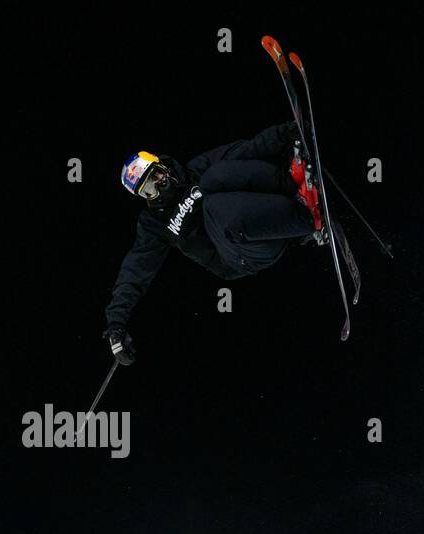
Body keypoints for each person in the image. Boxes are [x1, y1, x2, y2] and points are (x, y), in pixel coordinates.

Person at [105, 122, 321, 365]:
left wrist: (284, 134)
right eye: (149, 190)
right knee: (213, 207)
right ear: (143, 198)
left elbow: (244, 151)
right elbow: (135, 270)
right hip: (242, 255)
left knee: (215, 176)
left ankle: (294, 183)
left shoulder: (194, 171)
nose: (159, 186)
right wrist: (116, 324)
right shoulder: (155, 224)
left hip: (266, 218)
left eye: (157, 175)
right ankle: (306, 219)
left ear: (163, 165)